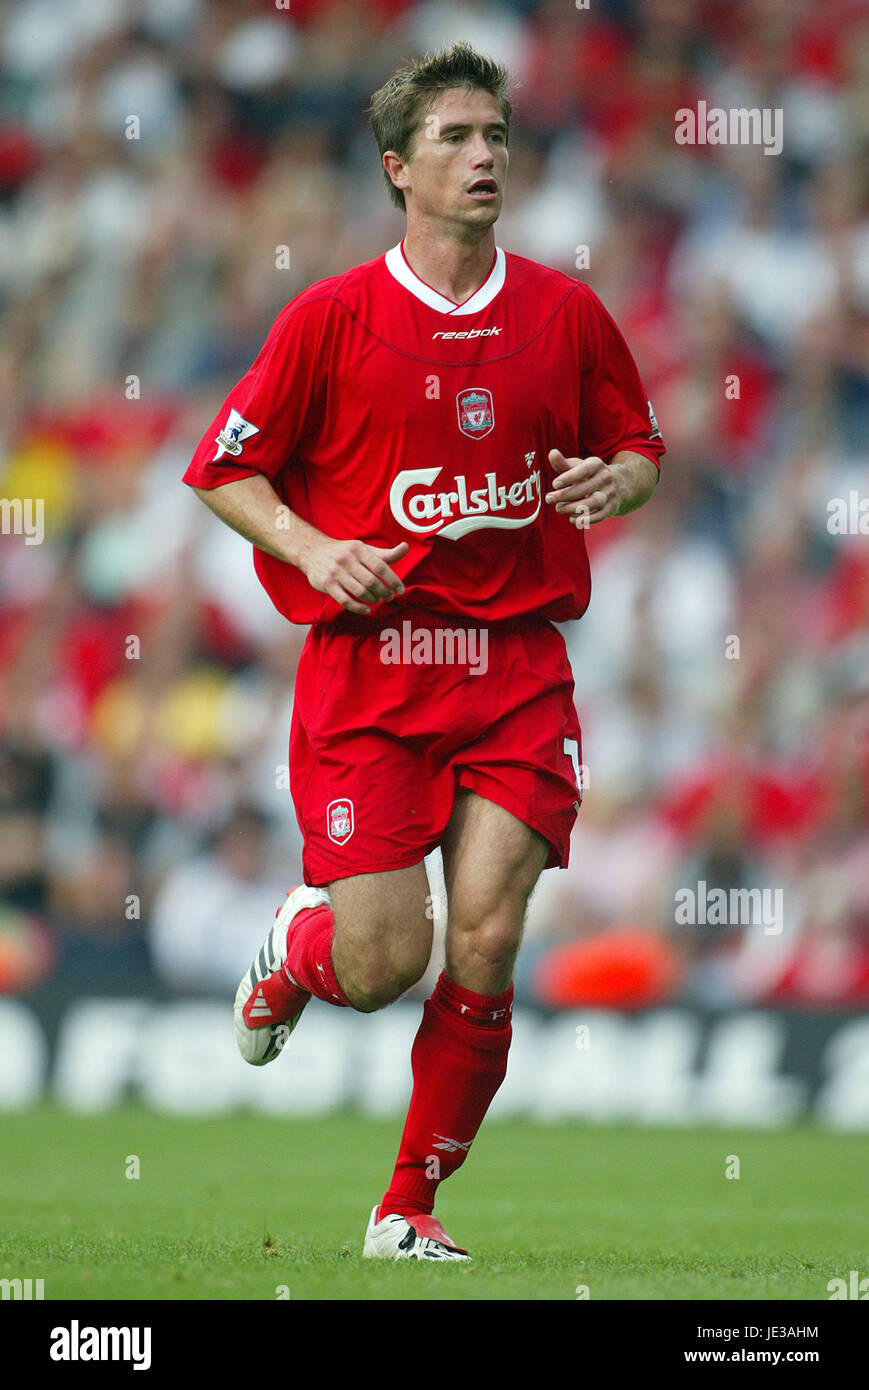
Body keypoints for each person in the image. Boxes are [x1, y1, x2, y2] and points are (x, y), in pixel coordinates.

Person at [183, 42, 664, 1261]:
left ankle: (405, 1209)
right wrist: (313, 546)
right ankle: (300, 951)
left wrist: (617, 481)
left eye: (494, 134)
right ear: (399, 168)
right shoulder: (332, 318)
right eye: (454, 138)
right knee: (385, 958)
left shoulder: (565, 312)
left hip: (512, 666)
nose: (484, 154)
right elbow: (222, 466)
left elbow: (638, 448)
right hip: (374, 670)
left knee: (492, 937)